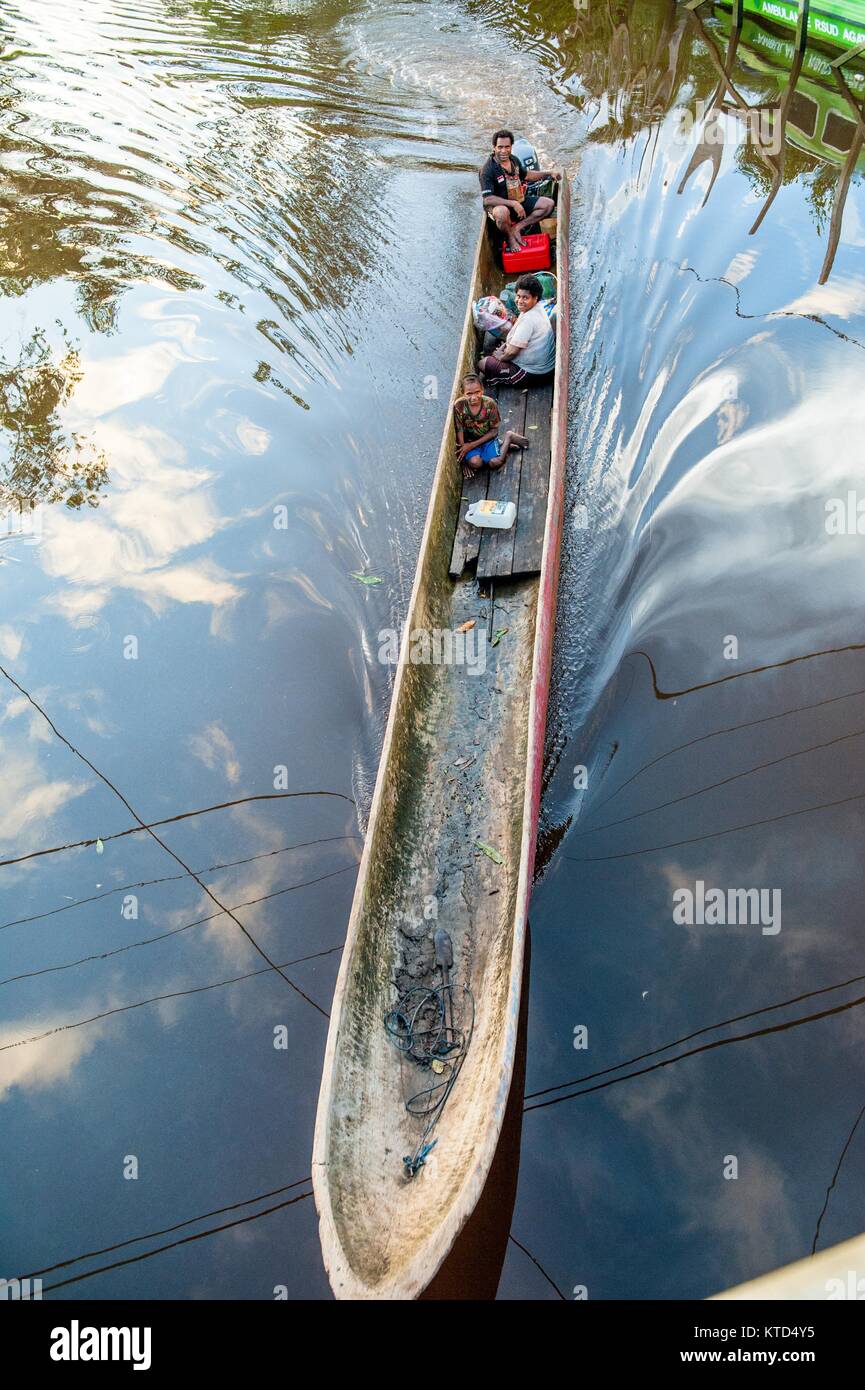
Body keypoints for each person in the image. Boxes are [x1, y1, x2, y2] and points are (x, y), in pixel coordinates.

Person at [479, 130, 559, 254]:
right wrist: (513, 204)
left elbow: (527, 175)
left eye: (507, 147)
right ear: (494, 147)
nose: (504, 151)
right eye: (500, 147)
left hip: (518, 199)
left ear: (511, 147)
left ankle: (517, 228)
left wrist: (548, 173)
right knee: (502, 211)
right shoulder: (487, 170)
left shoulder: (514, 160)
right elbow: (488, 199)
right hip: (500, 207)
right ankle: (510, 237)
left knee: (548, 204)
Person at [478, 276, 555, 387]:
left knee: (483, 363)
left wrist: (501, 357)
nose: (520, 301)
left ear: (535, 298)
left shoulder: (528, 320)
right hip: (544, 366)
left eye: (525, 298)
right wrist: (504, 348)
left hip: (534, 373)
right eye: (518, 296)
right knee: (495, 352)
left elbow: (512, 352)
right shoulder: (537, 307)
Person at [453, 374, 528, 479]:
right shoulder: (459, 405)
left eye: (477, 392)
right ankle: (500, 445)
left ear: (482, 390)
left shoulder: (490, 404)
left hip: (487, 439)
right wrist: (464, 458)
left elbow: (494, 431)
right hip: (469, 440)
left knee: (495, 463)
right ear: (462, 393)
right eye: (469, 394)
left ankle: (508, 437)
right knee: (475, 463)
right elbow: (459, 428)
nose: (474, 397)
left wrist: (471, 446)